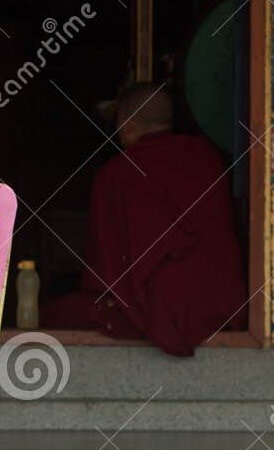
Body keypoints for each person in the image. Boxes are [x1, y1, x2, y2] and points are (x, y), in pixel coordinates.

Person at [43, 83, 246, 356]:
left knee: (56, 313)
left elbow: (104, 273)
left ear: (126, 124)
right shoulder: (208, 159)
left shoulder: (115, 174)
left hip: (155, 312)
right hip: (222, 308)